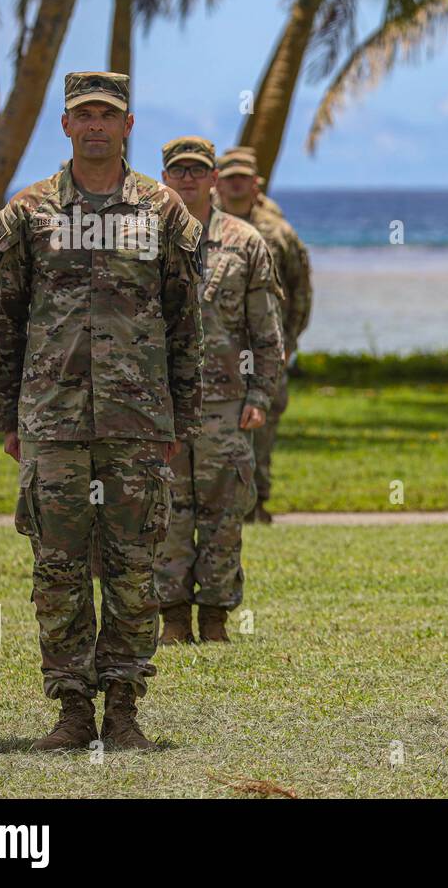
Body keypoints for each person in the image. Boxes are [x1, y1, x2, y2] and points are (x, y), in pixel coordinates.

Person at [0, 71, 204, 751]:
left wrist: (182, 420)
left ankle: (125, 706)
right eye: (84, 115)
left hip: (137, 424)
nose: (97, 126)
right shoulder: (27, 214)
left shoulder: (164, 213)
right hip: (52, 421)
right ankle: (72, 706)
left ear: (129, 125)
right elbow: (6, 322)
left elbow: (184, 323)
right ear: (66, 125)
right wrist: (7, 420)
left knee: (135, 568)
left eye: (108, 114)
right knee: (57, 567)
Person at [155, 136, 284, 644]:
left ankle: (215, 619)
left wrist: (259, 397)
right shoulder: (145, 238)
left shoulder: (246, 241)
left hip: (226, 405)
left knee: (225, 514)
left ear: (213, 178)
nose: (188, 178)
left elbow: (266, 331)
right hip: (161, 405)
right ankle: (171, 619)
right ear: (164, 177)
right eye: (178, 170)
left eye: (197, 170)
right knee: (165, 513)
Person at [214, 148, 312, 523]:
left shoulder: (277, 232)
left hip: (265, 350)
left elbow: (300, 290)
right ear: (217, 181)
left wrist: (289, 343)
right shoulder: (200, 225)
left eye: (243, 177)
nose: (235, 183)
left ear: (256, 184)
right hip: (217, 352)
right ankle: (222, 504)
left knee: (263, 425)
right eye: (229, 176)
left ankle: (256, 502)